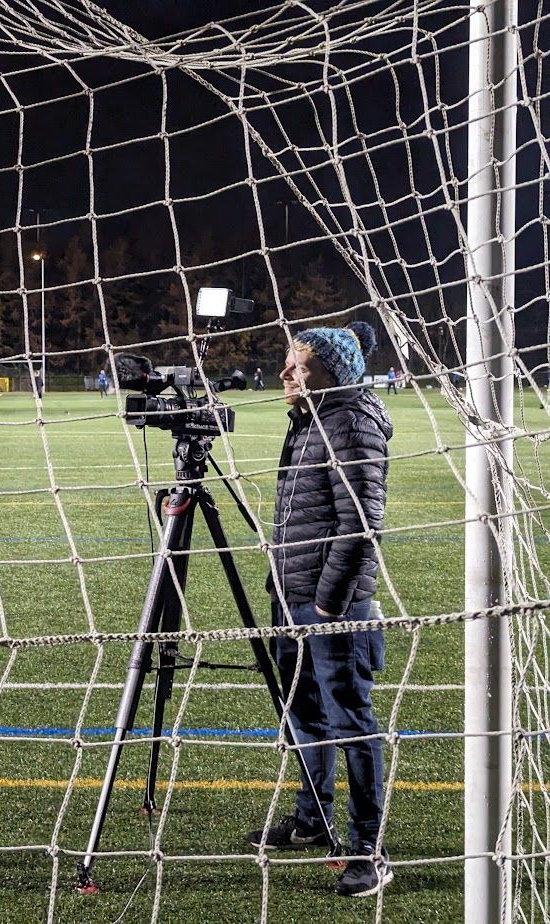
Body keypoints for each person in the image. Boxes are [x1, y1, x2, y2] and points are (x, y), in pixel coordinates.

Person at [248, 320, 393, 899]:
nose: (285, 372)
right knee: (302, 712)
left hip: (334, 606)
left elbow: (360, 525)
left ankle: (367, 848)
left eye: (299, 364)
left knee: (350, 720)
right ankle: (313, 819)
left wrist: (327, 603)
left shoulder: (352, 422)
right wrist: (282, 584)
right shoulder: (310, 420)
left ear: (333, 373)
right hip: (294, 596)